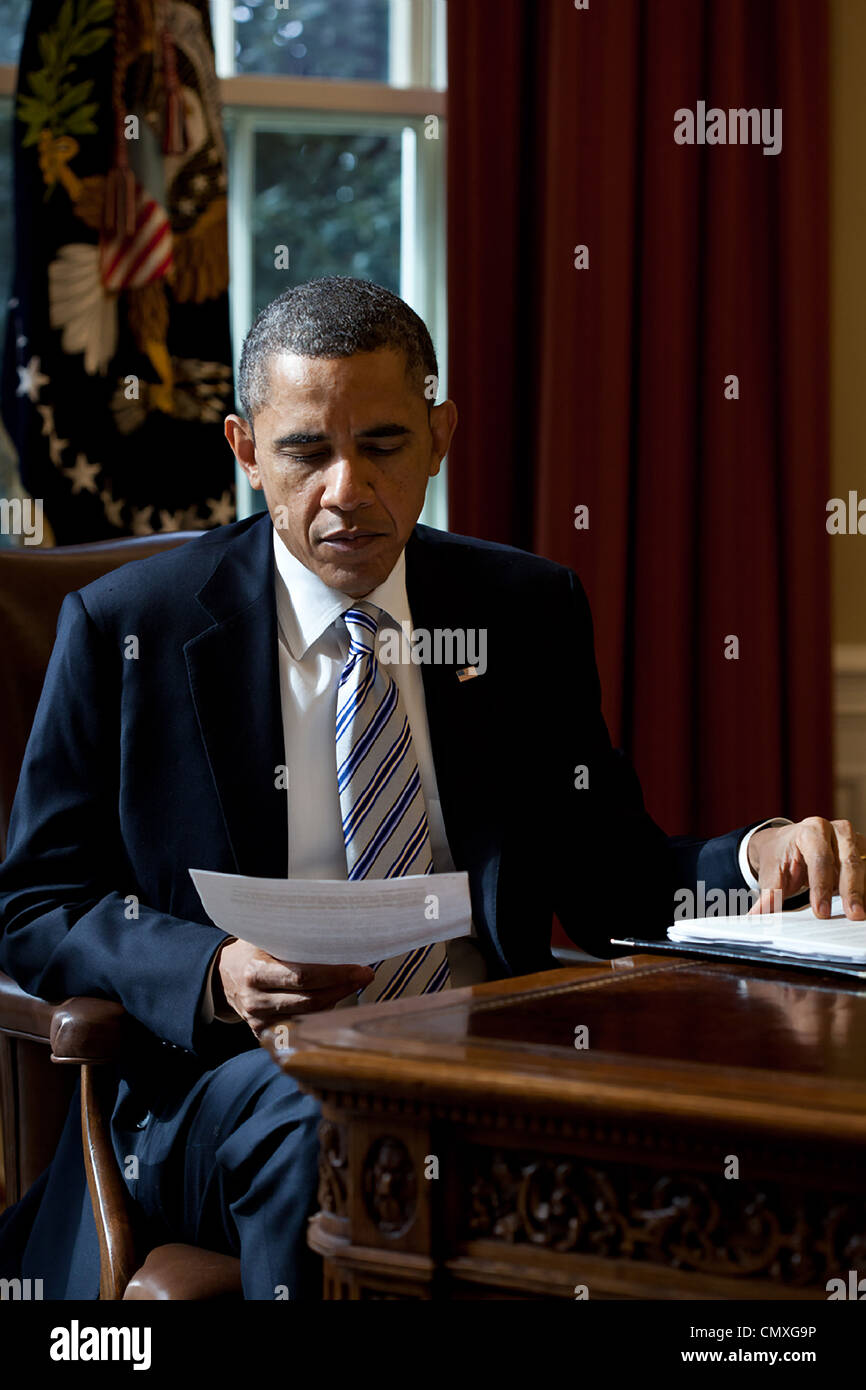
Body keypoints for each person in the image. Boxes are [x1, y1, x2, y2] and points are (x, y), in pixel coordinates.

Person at [0, 276, 862, 1300]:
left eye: (382, 443)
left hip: (482, 1061)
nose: (345, 488)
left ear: (440, 434)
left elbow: (614, 882)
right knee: (335, 1131)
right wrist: (210, 971)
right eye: (305, 451)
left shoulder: (522, 609)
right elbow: (35, 906)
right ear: (242, 449)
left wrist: (754, 855)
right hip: (224, 1086)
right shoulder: (125, 627)